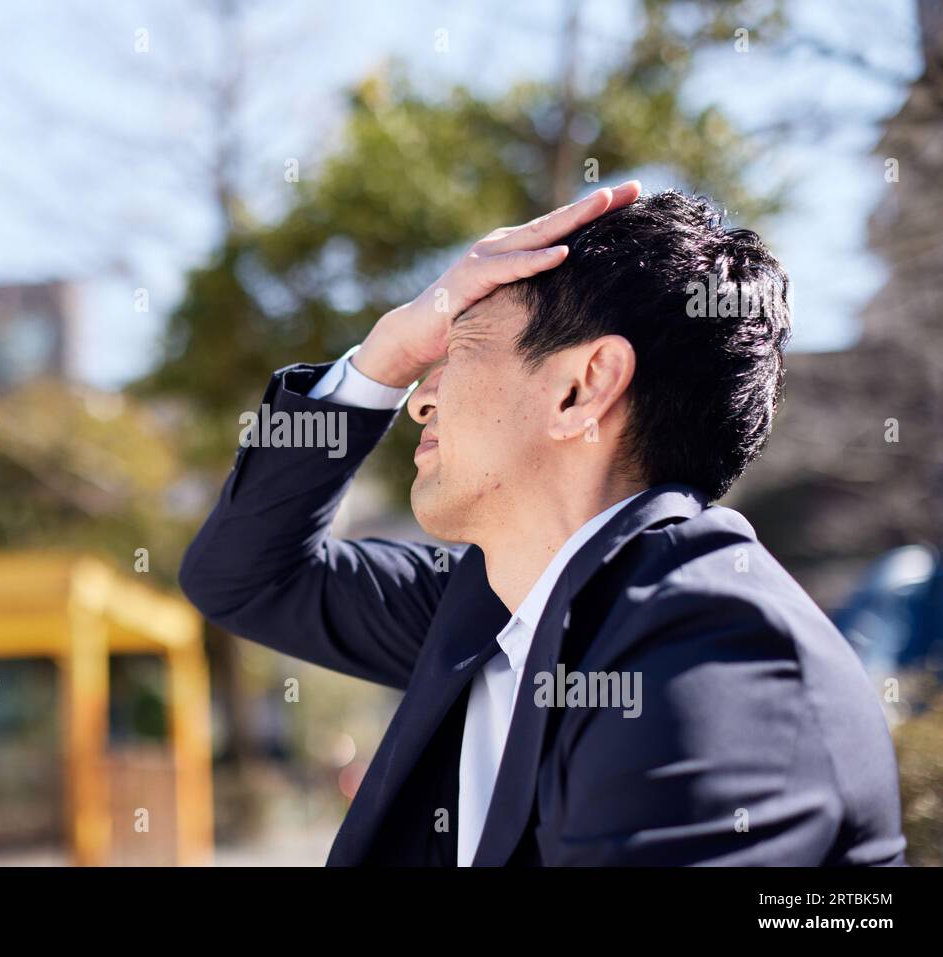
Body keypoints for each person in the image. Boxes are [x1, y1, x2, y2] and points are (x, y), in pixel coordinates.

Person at [179, 183, 907, 866]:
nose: (420, 399)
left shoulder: (716, 651)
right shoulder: (491, 606)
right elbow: (243, 575)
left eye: (457, 349)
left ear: (580, 389)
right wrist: (382, 359)